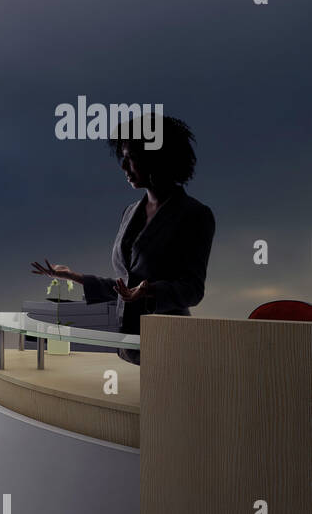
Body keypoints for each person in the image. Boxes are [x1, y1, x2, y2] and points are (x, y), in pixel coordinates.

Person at [32, 115, 215, 365]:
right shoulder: (130, 212)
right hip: (127, 346)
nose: (123, 166)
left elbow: (193, 290)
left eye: (130, 158)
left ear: (154, 157)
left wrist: (149, 291)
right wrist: (75, 277)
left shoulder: (195, 215)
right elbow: (126, 287)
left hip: (169, 345)